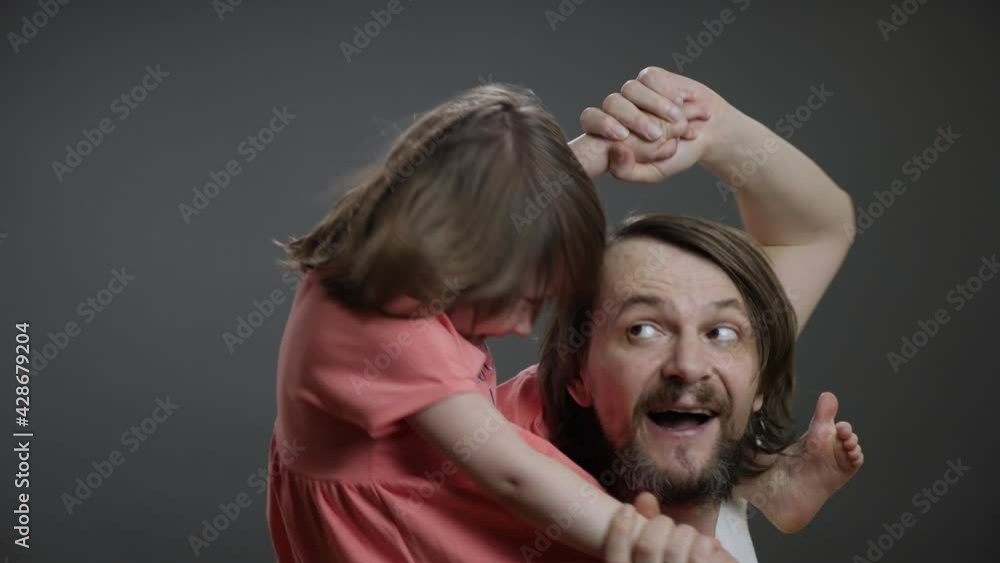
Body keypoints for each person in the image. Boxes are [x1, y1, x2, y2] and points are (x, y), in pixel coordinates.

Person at [499, 66, 866, 561]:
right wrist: (569, 168)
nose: (689, 364)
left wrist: (710, 126)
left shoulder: (708, 449)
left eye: (720, 331)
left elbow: (817, 229)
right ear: (577, 374)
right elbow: (375, 305)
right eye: (643, 329)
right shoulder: (497, 454)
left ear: (759, 382)